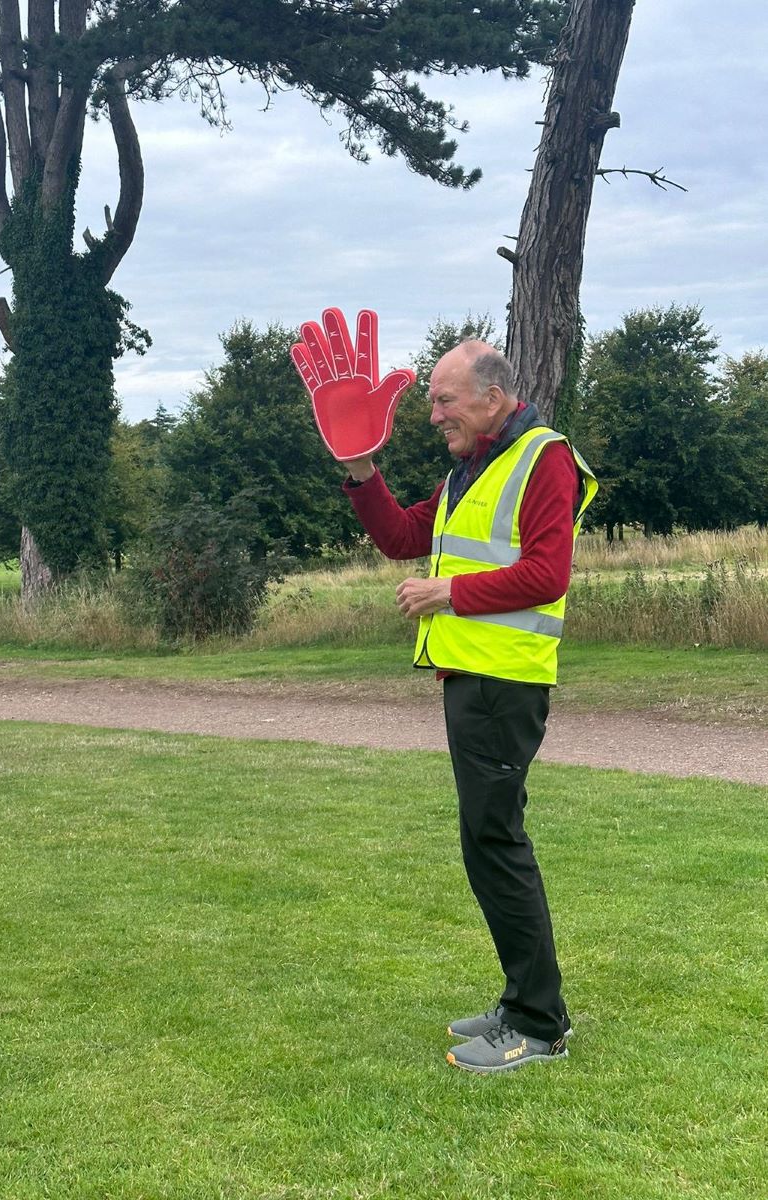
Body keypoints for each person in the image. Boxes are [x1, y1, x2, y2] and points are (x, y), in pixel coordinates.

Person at [299, 326, 597, 1074]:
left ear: (493, 398)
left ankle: (539, 1024)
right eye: (432, 402)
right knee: (485, 842)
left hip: (504, 682)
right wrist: (360, 468)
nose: (432, 415)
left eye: (445, 401)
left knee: (496, 843)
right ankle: (524, 1001)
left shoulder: (543, 458)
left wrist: (448, 593)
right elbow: (404, 535)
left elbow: (548, 574)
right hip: (473, 679)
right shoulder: (474, 466)